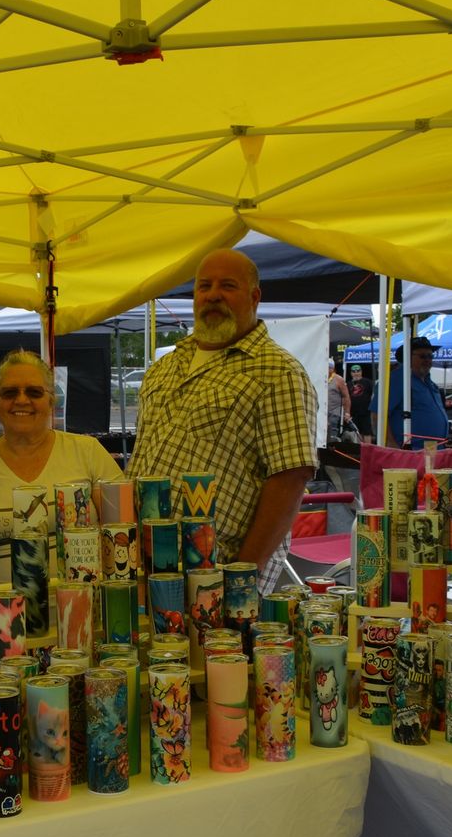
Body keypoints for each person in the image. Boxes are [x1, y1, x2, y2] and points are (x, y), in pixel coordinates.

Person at [128, 249, 317, 594]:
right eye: (204, 286)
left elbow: (290, 477)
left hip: (218, 572)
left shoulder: (277, 371)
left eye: (227, 286)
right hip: (145, 567)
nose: (213, 294)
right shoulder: (165, 368)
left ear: (254, 297)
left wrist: (241, 576)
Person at [0, 349, 123, 558]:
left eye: (34, 392)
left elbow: (123, 534)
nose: (21, 400)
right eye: (9, 392)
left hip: (82, 589)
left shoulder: (88, 451)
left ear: (51, 400)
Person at [372, 336, 448, 449]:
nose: (427, 360)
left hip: (433, 449)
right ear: (407, 357)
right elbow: (377, 414)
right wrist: (390, 443)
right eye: (422, 356)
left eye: (430, 356)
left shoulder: (430, 384)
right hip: (410, 451)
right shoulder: (397, 379)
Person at [326, 358, 352, 444]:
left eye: (330, 367)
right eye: (327, 367)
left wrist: (347, 413)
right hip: (322, 411)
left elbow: (346, 396)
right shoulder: (320, 378)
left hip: (334, 412)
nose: (328, 369)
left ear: (333, 369)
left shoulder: (338, 379)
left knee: (332, 435)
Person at [347, 364, 373, 441]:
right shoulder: (348, 384)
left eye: (358, 371)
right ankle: (359, 451)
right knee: (356, 433)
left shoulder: (368, 382)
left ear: (361, 372)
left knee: (367, 432)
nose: (356, 373)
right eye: (354, 371)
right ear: (351, 373)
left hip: (366, 412)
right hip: (353, 413)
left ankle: (369, 451)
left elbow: (373, 395)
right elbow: (345, 398)